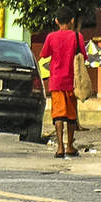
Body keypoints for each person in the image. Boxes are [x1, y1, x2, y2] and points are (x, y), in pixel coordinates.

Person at [37, 12, 86, 158]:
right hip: (73, 81)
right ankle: (70, 146)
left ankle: (60, 147)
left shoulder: (51, 37)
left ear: (56, 21)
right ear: (72, 20)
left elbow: (44, 54)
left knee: (58, 115)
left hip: (56, 81)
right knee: (71, 115)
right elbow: (84, 55)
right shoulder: (78, 37)